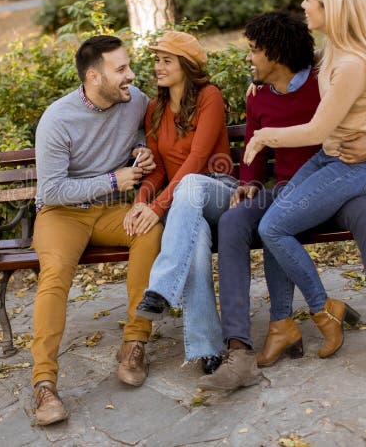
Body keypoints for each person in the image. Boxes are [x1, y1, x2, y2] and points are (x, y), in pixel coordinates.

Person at [200, 0, 366, 395]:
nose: (303, 7)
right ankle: (241, 349)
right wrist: (247, 179)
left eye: (310, 0)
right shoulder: (265, 88)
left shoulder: (334, 70)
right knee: (235, 222)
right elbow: (254, 147)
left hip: (348, 177)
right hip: (301, 181)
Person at [30, 35, 162, 426]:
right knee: (54, 278)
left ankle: (135, 343)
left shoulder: (134, 100)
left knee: (147, 230)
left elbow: (144, 136)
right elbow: (50, 189)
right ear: (93, 76)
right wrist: (111, 179)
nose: (131, 76)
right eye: (120, 69)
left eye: (129, 67)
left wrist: (142, 149)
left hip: (110, 212)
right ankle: (44, 385)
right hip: (61, 214)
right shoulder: (57, 119)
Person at [126, 31, 235, 374]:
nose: (158, 66)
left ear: (187, 65)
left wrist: (158, 208)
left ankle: (160, 288)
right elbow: (156, 171)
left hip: (218, 191)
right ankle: (208, 347)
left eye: (166, 60)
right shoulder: (155, 109)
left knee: (188, 184)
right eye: (156, 60)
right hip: (184, 207)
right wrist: (141, 202)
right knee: (195, 241)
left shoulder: (209, 97)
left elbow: (199, 159)